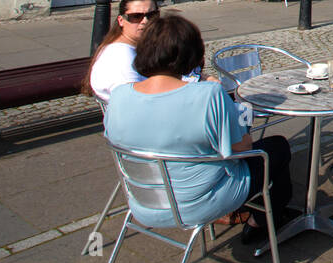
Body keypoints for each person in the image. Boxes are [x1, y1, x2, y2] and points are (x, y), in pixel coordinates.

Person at [104, 14, 294, 243]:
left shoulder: (119, 96)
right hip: (199, 203)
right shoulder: (208, 94)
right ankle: (262, 221)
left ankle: (265, 216)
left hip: (143, 202)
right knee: (277, 147)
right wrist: (240, 118)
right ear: (192, 54)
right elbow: (240, 148)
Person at [87, 0, 159, 103]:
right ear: (121, 20)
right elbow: (134, 103)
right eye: (136, 16)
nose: (145, 21)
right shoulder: (121, 57)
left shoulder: (140, 48)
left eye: (152, 15)